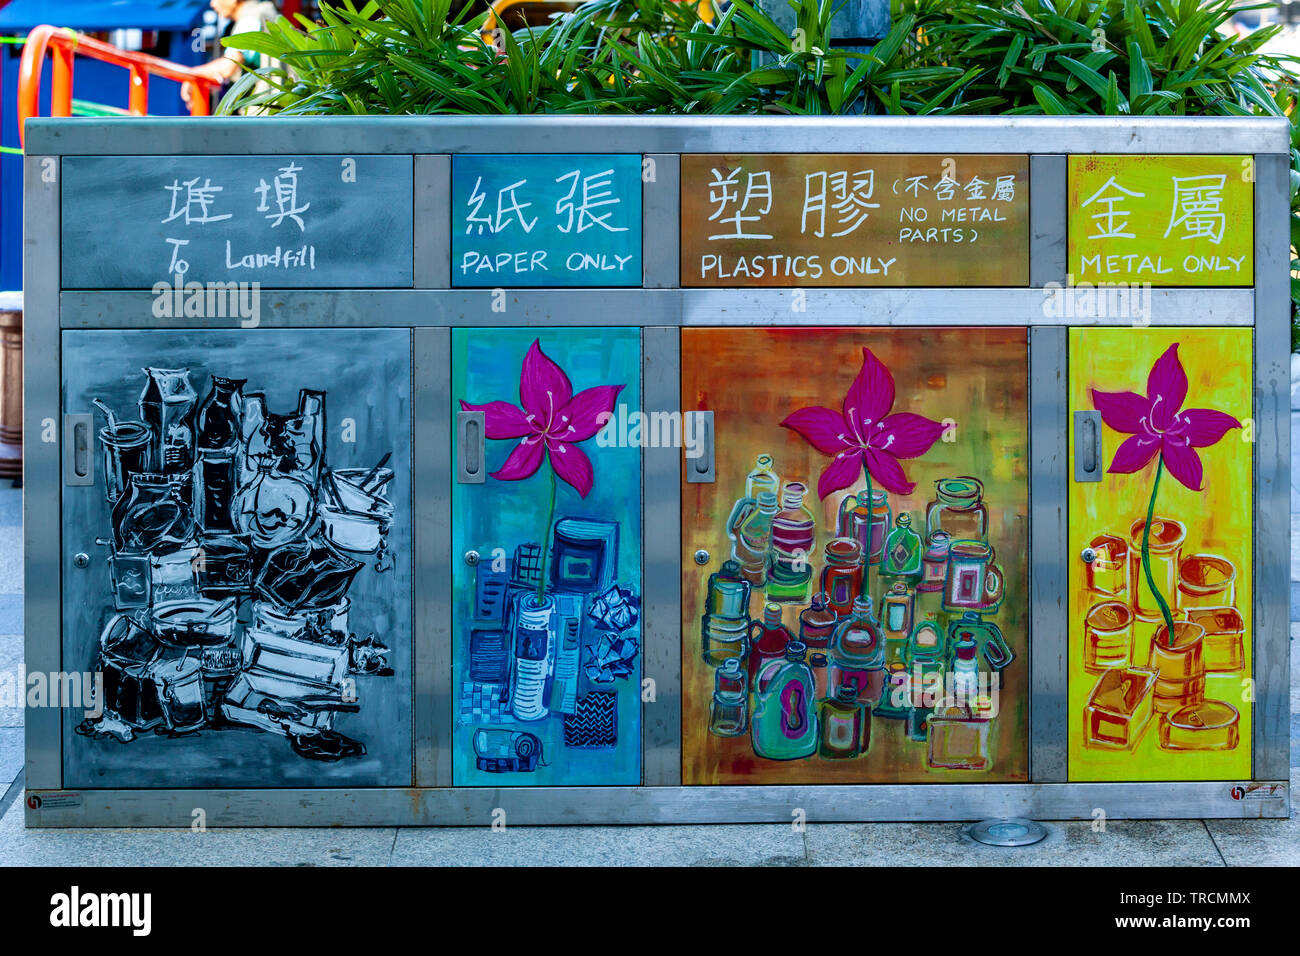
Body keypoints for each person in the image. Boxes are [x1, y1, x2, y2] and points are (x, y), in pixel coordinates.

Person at [183, 0, 281, 110]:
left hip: (265, 109)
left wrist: (193, 73)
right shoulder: (265, 11)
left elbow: (229, 65)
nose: (212, 4)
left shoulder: (251, 17)